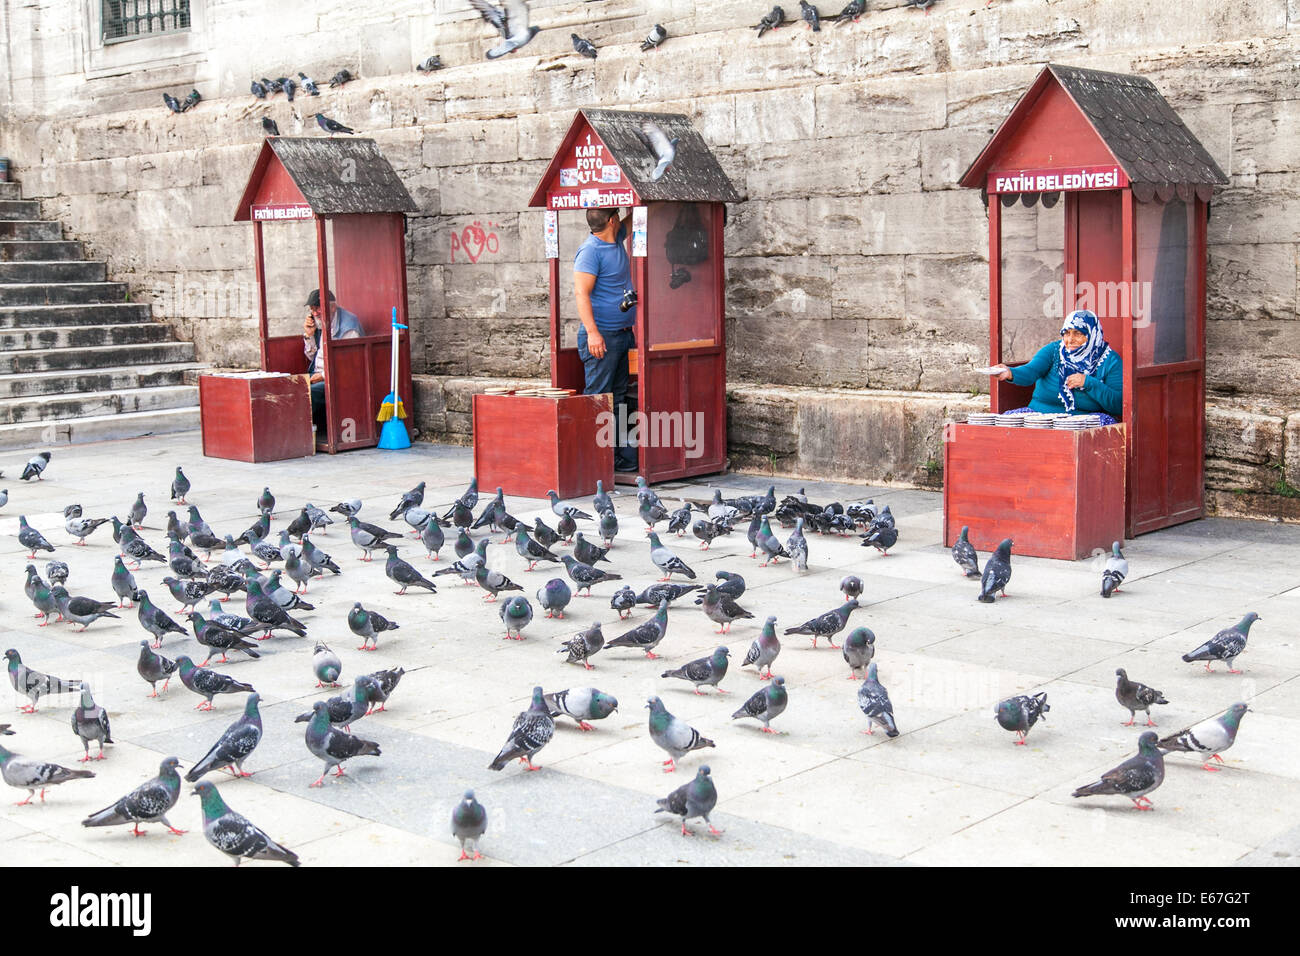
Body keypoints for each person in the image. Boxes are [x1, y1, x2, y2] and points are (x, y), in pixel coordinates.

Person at [574, 207, 638, 472]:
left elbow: (636, 216)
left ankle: (617, 456)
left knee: (620, 397)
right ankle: (594, 459)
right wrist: (592, 333)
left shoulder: (616, 235)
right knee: (599, 399)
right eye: (617, 215)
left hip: (623, 335)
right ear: (612, 220)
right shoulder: (590, 251)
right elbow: (581, 293)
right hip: (601, 337)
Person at [988, 309, 1122, 420]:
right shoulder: (1054, 350)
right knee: (1005, 423)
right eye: (1066, 333)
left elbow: (1118, 404)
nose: (1070, 340)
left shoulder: (1110, 360)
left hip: (1084, 420)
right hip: (1040, 416)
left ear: (1092, 334)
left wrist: (1088, 383)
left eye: (1078, 334)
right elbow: (1031, 370)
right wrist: (1010, 372)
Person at [303, 289, 363, 432]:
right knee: (291, 388)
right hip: (317, 374)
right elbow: (312, 357)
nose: (315, 313)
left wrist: (324, 375)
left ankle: (305, 433)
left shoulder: (349, 327)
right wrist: (309, 336)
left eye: (318, 308)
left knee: (308, 394)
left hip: (338, 378)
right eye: (312, 309)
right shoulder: (320, 323)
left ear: (333, 307)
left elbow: (351, 364)